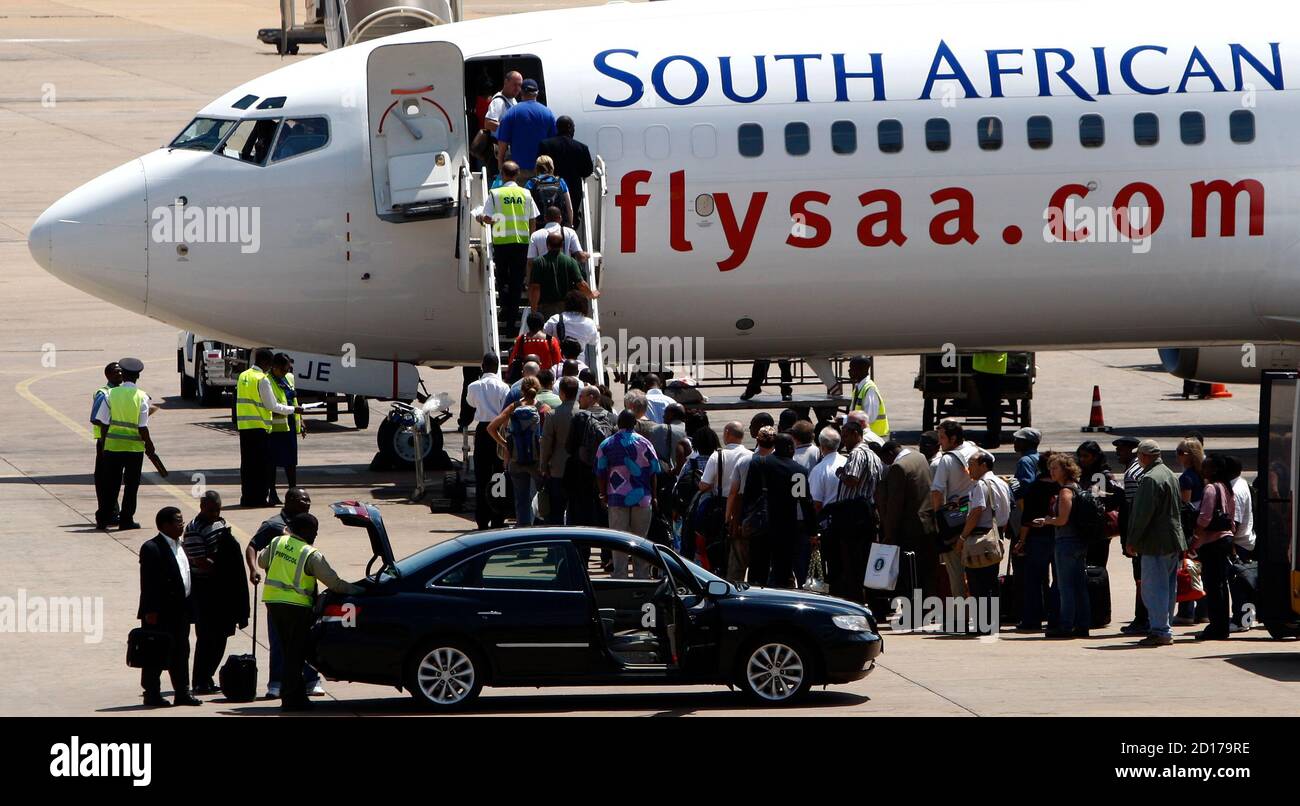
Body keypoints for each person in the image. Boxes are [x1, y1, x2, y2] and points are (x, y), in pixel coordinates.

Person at [257, 513, 364, 711]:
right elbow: (334, 583)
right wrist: (361, 591)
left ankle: (295, 696)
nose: (316, 535)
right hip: (296, 608)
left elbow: (262, 562)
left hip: (273, 603)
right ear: (305, 531)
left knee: (290, 651)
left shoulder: (277, 542)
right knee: (295, 654)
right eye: (314, 531)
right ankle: (291, 700)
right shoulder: (310, 553)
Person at [244, 487, 323, 698]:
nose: (307, 503)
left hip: (305, 592)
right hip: (280, 595)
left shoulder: (307, 522)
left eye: (308, 500)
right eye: (302, 500)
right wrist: (253, 569)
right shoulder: (273, 525)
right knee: (279, 641)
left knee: (306, 639)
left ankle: (310, 679)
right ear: (288, 500)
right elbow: (252, 546)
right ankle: (277, 683)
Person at [183, 491, 248, 694]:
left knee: (221, 636)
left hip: (223, 591)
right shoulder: (194, 530)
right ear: (202, 507)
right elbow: (201, 563)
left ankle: (208, 676)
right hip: (207, 591)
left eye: (217, 510)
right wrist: (221, 563)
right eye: (211, 510)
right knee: (207, 637)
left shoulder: (219, 523)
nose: (214, 513)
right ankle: (200, 679)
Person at [1126, 440, 1188, 647]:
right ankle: (1164, 627)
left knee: (1154, 588)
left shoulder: (1150, 479)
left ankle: (1160, 630)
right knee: (1169, 586)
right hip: (1172, 540)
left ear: (1144, 456)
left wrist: (1132, 540)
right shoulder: (1169, 474)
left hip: (1155, 542)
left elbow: (1142, 514)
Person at [138, 507, 200, 707]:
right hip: (160, 612)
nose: (182, 524)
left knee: (181, 651)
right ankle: (152, 693)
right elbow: (148, 584)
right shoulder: (151, 548)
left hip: (181, 610)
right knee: (155, 653)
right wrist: (150, 611)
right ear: (165, 525)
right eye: (177, 521)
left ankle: (182, 692)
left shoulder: (181, 545)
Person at [596, 409, 661, 578]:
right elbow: (654, 472)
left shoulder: (607, 444)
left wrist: (603, 495)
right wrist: (654, 496)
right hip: (643, 498)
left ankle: (620, 576)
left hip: (617, 498)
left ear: (618, 424)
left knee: (618, 542)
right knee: (641, 541)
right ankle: (641, 577)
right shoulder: (645, 443)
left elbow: (601, 472)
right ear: (635, 424)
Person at [478, 161, 539, 338]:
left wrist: (480, 218)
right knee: (516, 284)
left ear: (502, 175)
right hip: (521, 243)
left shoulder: (495, 193)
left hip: (502, 242)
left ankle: (504, 310)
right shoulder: (526, 193)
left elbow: (488, 218)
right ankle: (512, 324)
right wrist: (531, 241)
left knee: (502, 280)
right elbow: (532, 219)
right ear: (518, 174)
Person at [743, 433, 813, 587]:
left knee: (757, 569)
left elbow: (748, 495)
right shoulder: (798, 471)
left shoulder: (758, 463)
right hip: (785, 528)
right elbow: (804, 501)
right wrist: (812, 528)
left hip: (760, 526)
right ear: (791, 449)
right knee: (782, 571)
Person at [1031, 454, 1089, 638]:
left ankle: (1065, 626)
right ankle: (1082, 625)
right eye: (1051, 468)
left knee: (1066, 587)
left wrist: (1048, 521)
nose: (1052, 471)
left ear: (1066, 470)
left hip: (1066, 542)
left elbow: (1062, 519)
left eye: (1055, 468)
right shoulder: (1077, 487)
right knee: (1079, 585)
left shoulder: (1065, 491)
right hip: (1079, 541)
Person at [235, 348, 301, 508]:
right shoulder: (262, 379)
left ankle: (247, 497)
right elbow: (271, 405)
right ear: (265, 363)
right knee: (262, 467)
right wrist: (293, 410)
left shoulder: (244, 376)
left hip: (244, 427)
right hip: (260, 427)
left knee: (247, 466)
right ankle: (259, 499)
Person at [93, 357, 153, 530]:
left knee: (111, 485)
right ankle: (126, 520)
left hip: (113, 447)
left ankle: (103, 518)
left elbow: (103, 422)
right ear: (138, 377)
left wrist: (104, 446)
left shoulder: (110, 394)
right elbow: (143, 427)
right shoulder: (142, 397)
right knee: (131, 486)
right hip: (134, 449)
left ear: (123, 375)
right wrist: (149, 444)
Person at [828, 419, 883, 603]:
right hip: (866, 514)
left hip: (854, 515)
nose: (843, 440)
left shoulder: (857, 453)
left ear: (855, 434)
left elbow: (852, 478)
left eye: (845, 436)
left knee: (852, 563)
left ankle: (855, 602)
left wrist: (840, 473)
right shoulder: (874, 455)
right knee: (864, 561)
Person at [877, 439, 939, 599]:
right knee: (926, 570)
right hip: (927, 523)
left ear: (890, 454)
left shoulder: (899, 467)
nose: (886, 465)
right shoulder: (919, 456)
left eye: (886, 461)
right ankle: (928, 606)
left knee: (911, 574)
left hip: (909, 530)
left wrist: (889, 534)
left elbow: (894, 506)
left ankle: (914, 611)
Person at [929, 419, 980, 598]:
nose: (939, 442)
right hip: (977, 517)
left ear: (953, 438)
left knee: (956, 572)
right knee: (976, 572)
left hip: (955, 521)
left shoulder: (947, 460)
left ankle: (961, 619)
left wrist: (938, 520)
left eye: (942, 438)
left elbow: (936, 491)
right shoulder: (975, 451)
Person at [960, 451, 1008, 634]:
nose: (968, 469)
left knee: (977, 584)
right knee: (990, 583)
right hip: (995, 537)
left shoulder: (981, 484)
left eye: (971, 465)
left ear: (983, 465)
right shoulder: (1001, 483)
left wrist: (962, 537)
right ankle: (992, 624)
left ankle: (983, 626)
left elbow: (977, 511)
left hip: (980, 539)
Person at [489, 376, 547, 527]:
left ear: (522, 390)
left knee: (521, 499)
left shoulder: (513, 407)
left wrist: (505, 444)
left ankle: (523, 530)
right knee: (537, 496)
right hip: (537, 461)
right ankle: (536, 529)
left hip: (516, 459)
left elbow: (491, 428)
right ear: (538, 389)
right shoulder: (543, 408)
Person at [1191, 454, 1237, 640]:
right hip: (1226, 539)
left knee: (1212, 585)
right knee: (1221, 585)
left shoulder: (1210, 488)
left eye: (1206, 466)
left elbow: (1204, 518)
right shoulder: (1227, 488)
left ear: (1215, 469)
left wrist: (1195, 536)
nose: (1203, 469)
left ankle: (1216, 627)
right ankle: (1222, 625)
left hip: (1212, 542)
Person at [465, 352, 510, 530]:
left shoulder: (474, 386)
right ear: (498, 367)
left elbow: (471, 404)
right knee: (499, 474)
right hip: (498, 429)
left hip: (483, 430)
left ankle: (482, 519)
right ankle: (498, 517)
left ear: (482, 367)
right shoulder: (503, 387)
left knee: (482, 476)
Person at [1016, 452, 1059, 632]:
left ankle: (1032, 620)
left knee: (1033, 580)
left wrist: (1021, 541)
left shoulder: (1034, 488)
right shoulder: (1062, 487)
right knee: (1059, 580)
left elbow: (1027, 519)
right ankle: (1057, 618)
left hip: (1037, 538)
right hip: (1059, 537)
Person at [1114, 435, 1149, 635]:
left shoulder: (1132, 473)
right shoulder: (1137, 470)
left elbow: (1133, 509)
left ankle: (1142, 618)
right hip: (1141, 534)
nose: (1118, 453)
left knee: (1140, 578)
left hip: (1137, 535)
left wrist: (1131, 538)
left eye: (1122, 449)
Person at [565, 384, 614, 528]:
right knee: (603, 512)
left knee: (581, 514)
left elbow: (569, 446)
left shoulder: (579, 417)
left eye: (581, 396)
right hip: (605, 473)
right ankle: (606, 549)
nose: (579, 400)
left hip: (581, 471)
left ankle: (583, 549)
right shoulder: (612, 417)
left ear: (592, 397)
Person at [538, 115, 595, 231]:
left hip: (549, 189)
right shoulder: (582, 148)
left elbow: (540, 166)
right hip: (573, 189)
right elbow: (588, 171)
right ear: (570, 128)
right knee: (571, 218)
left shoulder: (545, 145)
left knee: (548, 218)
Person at [495, 78, 556, 181]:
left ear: (521, 92)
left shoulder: (511, 113)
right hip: (542, 170)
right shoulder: (548, 113)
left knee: (521, 197)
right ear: (536, 93)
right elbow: (553, 141)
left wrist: (501, 164)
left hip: (517, 170)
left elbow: (503, 143)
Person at [1173, 437, 1206, 625]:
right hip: (1204, 530)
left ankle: (1186, 611)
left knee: (1186, 569)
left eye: (1179, 452)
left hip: (1189, 530)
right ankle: (1203, 611)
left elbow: (1184, 507)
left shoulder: (1186, 478)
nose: (1177, 456)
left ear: (1187, 455)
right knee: (1201, 570)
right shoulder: (1204, 475)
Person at [529, 231, 596, 321]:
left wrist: (534, 311)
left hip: (545, 309)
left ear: (547, 245)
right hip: (565, 309)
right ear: (561, 246)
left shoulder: (538, 262)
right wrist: (591, 294)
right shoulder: (570, 261)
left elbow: (535, 289)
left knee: (548, 334)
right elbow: (581, 284)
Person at [1223, 456, 1256, 631]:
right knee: (1246, 583)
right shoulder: (1242, 483)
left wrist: (1232, 549)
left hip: (1239, 544)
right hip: (1247, 540)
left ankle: (1241, 621)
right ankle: (1247, 618)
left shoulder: (1234, 490)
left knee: (1239, 585)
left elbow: (1233, 525)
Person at [540, 377, 579, 525]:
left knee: (556, 511)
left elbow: (546, 443)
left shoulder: (553, 415)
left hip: (557, 469)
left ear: (561, 393)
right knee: (576, 511)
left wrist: (543, 466)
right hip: (579, 469)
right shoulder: (584, 413)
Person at [267, 353, 304, 505]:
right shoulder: (267, 380)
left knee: (291, 462)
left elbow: (293, 398)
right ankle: (272, 493)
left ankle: (293, 492)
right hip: (275, 428)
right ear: (273, 367)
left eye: (287, 369)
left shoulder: (289, 378)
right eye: (282, 370)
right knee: (272, 462)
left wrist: (301, 420)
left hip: (289, 424)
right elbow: (271, 405)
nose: (285, 373)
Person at [91, 361, 123, 528]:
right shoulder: (103, 393)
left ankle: (113, 512)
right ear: (108, 375)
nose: (120, 374)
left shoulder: (123, 392)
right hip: (105, 442)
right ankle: (105, 513)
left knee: (114, 480)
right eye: (116, 372)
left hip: (119, 442)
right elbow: (96, 418)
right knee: (104, 480)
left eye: (121, 371)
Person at [545, 291, 600, 369]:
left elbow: (545, 332)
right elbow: (593, 341)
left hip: (558, 363)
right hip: (579, 364)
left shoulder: (555, 319)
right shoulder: (589, 323)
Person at [482, 71, 521, 177]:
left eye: (519, 85)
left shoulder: (513, 100)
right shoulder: (499, 101)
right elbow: (488, 123)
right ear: (506, 82)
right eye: (515, 84)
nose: (517, 88)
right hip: (498, 150)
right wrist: (509, 130)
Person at [529, 205, 589, 271]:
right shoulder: (570, 232)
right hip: (564, 276)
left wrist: (528, 280)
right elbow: (581, 257)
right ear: (560, 218)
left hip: (543, 276)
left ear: (545, 218)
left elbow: (530, 262)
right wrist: (588, 255)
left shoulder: (535, 235)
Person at [844, 355, 890, 439]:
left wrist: (844, 420)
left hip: (874, 438)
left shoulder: (869, 389)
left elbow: (869, 417)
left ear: (861, 370)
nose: (849, 371)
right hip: (866, 436)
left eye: (852, 368)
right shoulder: (859, 387)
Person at [970, 351, 1008, 448]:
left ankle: (993, 438)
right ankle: (993, 436)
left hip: (983, 368)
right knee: (993, 407)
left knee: (991, 407)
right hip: (998, 368)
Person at [509, 313, 562, 381]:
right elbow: (557, 362)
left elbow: (512, 360)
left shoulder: (521, 339)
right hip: (546, 381)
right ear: (543, 324)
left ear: (528, 324)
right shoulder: (551, 340)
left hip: (527, 380)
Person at [524, 155, 574, 226]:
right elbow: (570, 208)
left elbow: (526, 208)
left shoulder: (531, 183)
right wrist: (570, 225)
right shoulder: (560, 182)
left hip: (539, 225)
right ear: (552, 167)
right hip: (558, 225)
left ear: (536, 168)